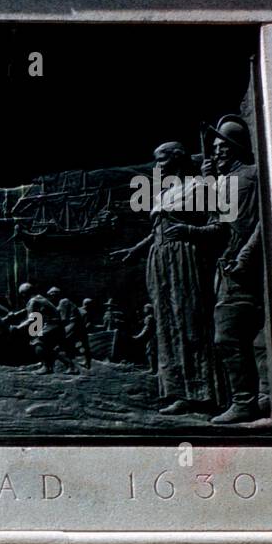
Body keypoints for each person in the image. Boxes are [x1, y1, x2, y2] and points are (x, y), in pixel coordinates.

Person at [164, 115, 266, 424]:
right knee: (252, 335)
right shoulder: (227, 181)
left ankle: (245, 403)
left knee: (229, 337)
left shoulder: (247, 178)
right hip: (230, 265)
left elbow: (229, 227)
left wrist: (188, 231)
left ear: (235, 149)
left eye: (221, 147)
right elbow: (217, 221)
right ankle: (261, 397)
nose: (215, 153)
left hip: (238, 265)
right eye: (214, 147)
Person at [111, 140, 224, 414]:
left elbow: (219, 227)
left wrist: (188, 230)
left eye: (161, 160)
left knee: (190, 320)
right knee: (167, 324)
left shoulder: (200, 187)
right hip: (159, 260)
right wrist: (136, 249)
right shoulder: (165, 192)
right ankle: (178, 393)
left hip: (185, 258)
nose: (157, 166)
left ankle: (204, 393)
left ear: (178, 159)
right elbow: (158, 229)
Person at [6, 282, 77, 373]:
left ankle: (46, 367)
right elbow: (27, 311)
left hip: (51, 325)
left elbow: (32, 319)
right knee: (51, 348)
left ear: (24, 294)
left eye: (22, 295)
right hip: (55, 325)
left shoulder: (33, 301)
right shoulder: (39, 298)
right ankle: (70, 367)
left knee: (36, 341)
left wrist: (17, 327)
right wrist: (15, 315)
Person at [45, 286, 90, 369]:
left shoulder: (63, 302)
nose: (51, 297)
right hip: (76, 324)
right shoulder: (64, 302)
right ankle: (85, 363)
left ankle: (65, 365)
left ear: (56, 295)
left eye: (52, 295)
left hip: (73, 324)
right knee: (81, 344)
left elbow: (63, 319)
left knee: (58, 343)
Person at [130, 303, 158, 374]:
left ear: (148, 309)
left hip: (152, 338)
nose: (144, 310)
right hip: (153, 337)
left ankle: (152, 369)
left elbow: (146, 329)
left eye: (145, 308)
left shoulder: (149, 318)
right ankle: (154, 368)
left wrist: (138, 336)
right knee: (152, 352)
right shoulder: (151, 317)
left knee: (150, 352)